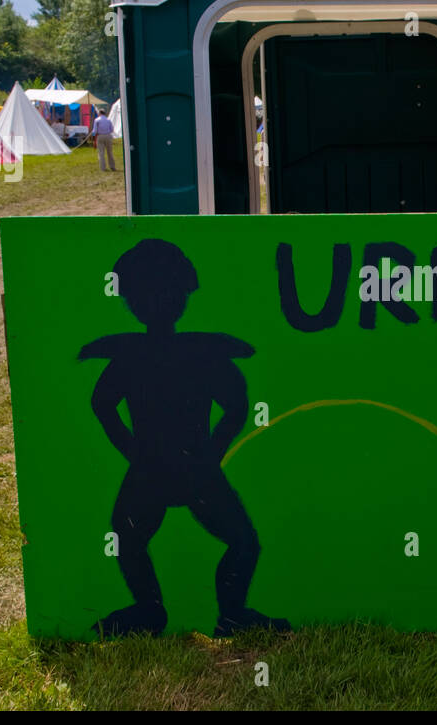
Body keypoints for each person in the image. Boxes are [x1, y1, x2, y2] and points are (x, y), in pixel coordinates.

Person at [81, 239, 290, 639]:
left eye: (168, 292)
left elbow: (234, 406)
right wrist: (136, 451)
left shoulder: (198, 352)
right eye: (145, 295)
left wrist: (210, 451)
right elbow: (102, 404)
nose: (158, 302)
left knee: (241, 541)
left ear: (182, 293)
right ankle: (154, 611)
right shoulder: (153, 354)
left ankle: (225, 615)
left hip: (187, 464)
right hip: (170, 466)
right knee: (130, 535)